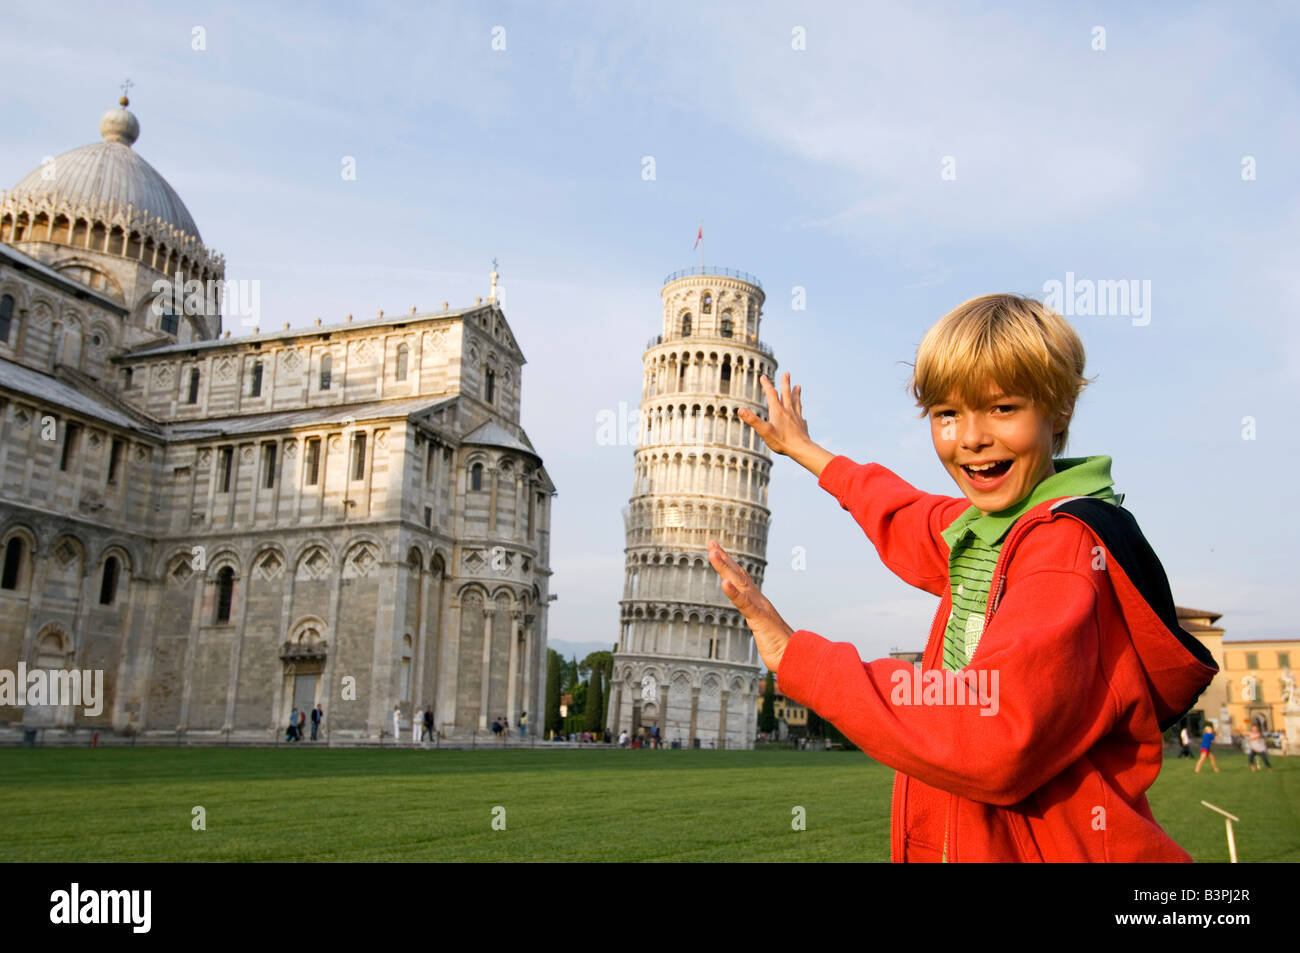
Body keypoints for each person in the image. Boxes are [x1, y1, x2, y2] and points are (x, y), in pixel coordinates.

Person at [706, 295, 1218, 862]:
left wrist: (802, 661)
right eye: (947, 413)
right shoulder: (989, 530)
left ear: (1061, 412)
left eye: (1002, 408)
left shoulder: (1063, 551)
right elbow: (903, 512)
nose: (970, 437)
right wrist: (805, 450)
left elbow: (995, 735)